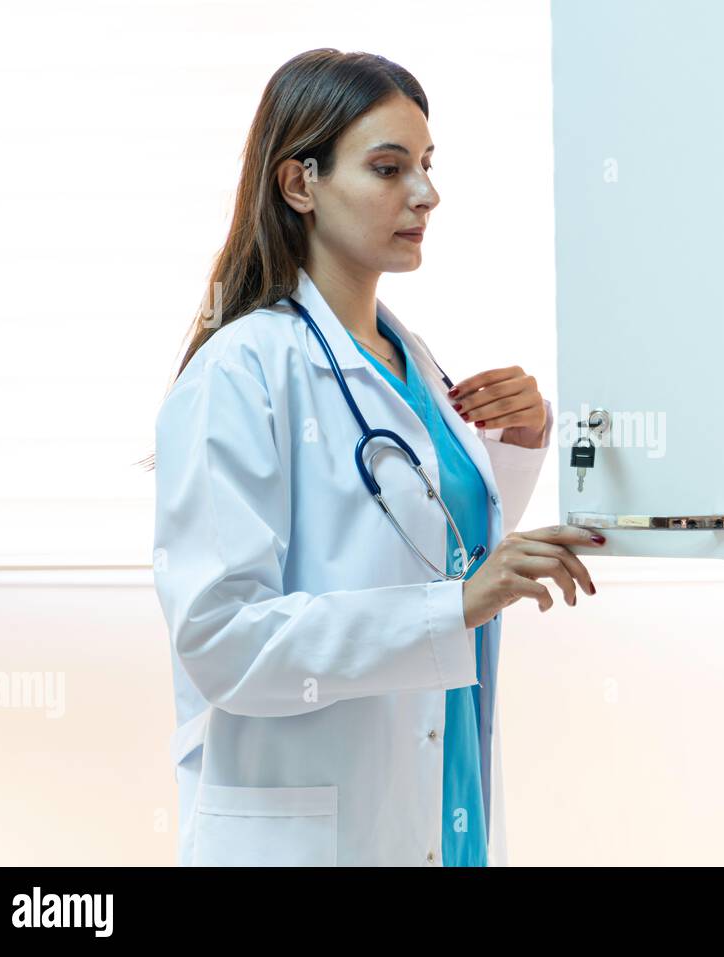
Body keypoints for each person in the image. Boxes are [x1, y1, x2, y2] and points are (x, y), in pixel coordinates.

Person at [150, 48, 604, 867]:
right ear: (300, 184)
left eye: (426, 166)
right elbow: (222, 640)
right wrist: (455, 606)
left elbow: (422, 541)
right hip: (320, 832)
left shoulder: (411, 359)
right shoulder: (243, 368)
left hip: (439, 796)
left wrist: (521, 441)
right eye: (389, 168)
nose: (426, 194)